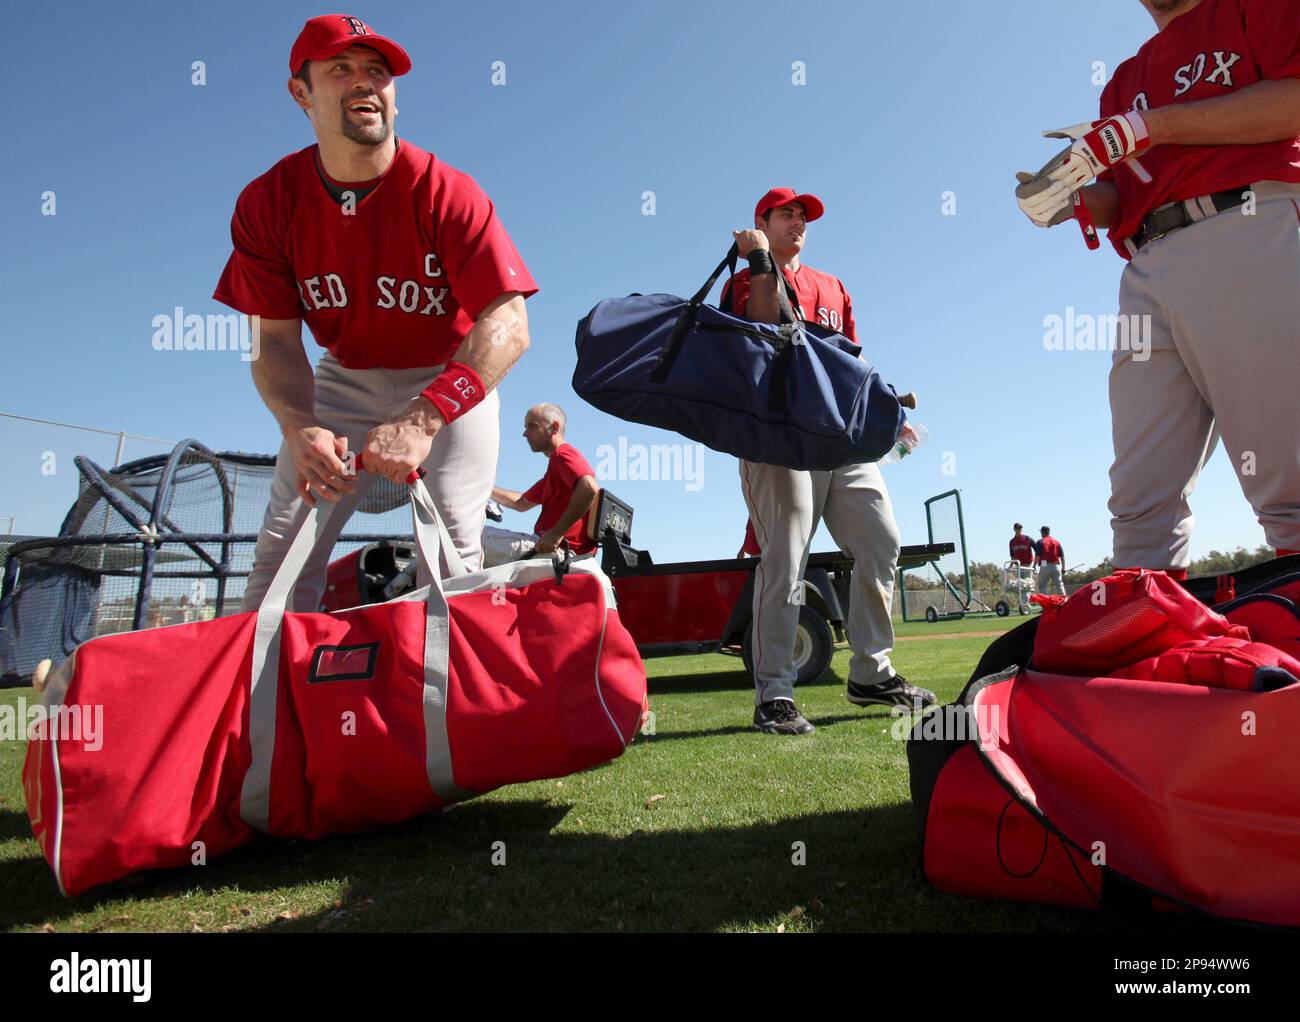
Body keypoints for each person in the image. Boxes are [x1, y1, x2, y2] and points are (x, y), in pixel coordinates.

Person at [214, 14, 537, 611]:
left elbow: (508, 325)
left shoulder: (445, 189)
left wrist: (422, 419)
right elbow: (275, 342)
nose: (365, 82)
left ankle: (444, 704)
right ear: (301, 93)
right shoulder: (268, 202)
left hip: (447, 377)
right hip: (344, 377)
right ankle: (263, 706)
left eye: (377, 71)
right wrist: (297, 423)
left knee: (452, 556)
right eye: (341, 69)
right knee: (280, 557)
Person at [1016, 0, 1300, 579]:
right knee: (1141, 501)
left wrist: (1152, 126)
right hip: (1149, 260)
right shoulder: (1122, 82)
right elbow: (1131, 193)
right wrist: (1071, 201)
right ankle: (1148, 647)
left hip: (1250, 220)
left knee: (1289, 479)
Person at [725, 187, 936, 736]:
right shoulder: (749, 273)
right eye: (786, 214)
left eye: (803, 216)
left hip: (839, 439)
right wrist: (759, 259)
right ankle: (774, 692)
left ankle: (871, 672)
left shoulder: (834, 284)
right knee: (788, 556)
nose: (797, 222)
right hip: (780, 438)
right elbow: (764, 324)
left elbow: (853, 362)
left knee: (881, 540)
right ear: (761, 221)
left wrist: (887, 414)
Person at [487, 404, 600, 566]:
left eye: (532, 426)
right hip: (562, 554)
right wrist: (484, 487)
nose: (525, 433)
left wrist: (556, 533)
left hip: (556, 551)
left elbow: (589, 488)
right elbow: (521, 503)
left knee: (466, 536)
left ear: (554, 427)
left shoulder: (563, 454)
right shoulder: (555, 471)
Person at [1009, 522, 1036, 611]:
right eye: (1017, 528)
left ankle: (1026, 603)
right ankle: (1024, 603)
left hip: (1028, 564)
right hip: (1018, 565)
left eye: (1020, 528)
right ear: (1014, 529)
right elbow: (1012, 555)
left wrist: (1036, 562)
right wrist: (1011, 565)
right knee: (1020, 584)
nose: (1019, 530)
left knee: (1026, 583)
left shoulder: (1027, 538)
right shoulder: (1012, 542)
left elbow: (1037, 549)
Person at [1034, 526, 1066, 598]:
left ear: (1042, 532)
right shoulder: (1056, 542)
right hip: (1056, 566)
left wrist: (1034, 565)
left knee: (1042, 586)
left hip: (1044, 565)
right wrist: (1063, 568)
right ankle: (1065, 602)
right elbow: (1062, 557)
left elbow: (1037, 556)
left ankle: (1046, 606)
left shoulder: (1041, 541)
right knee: (1059, 585)